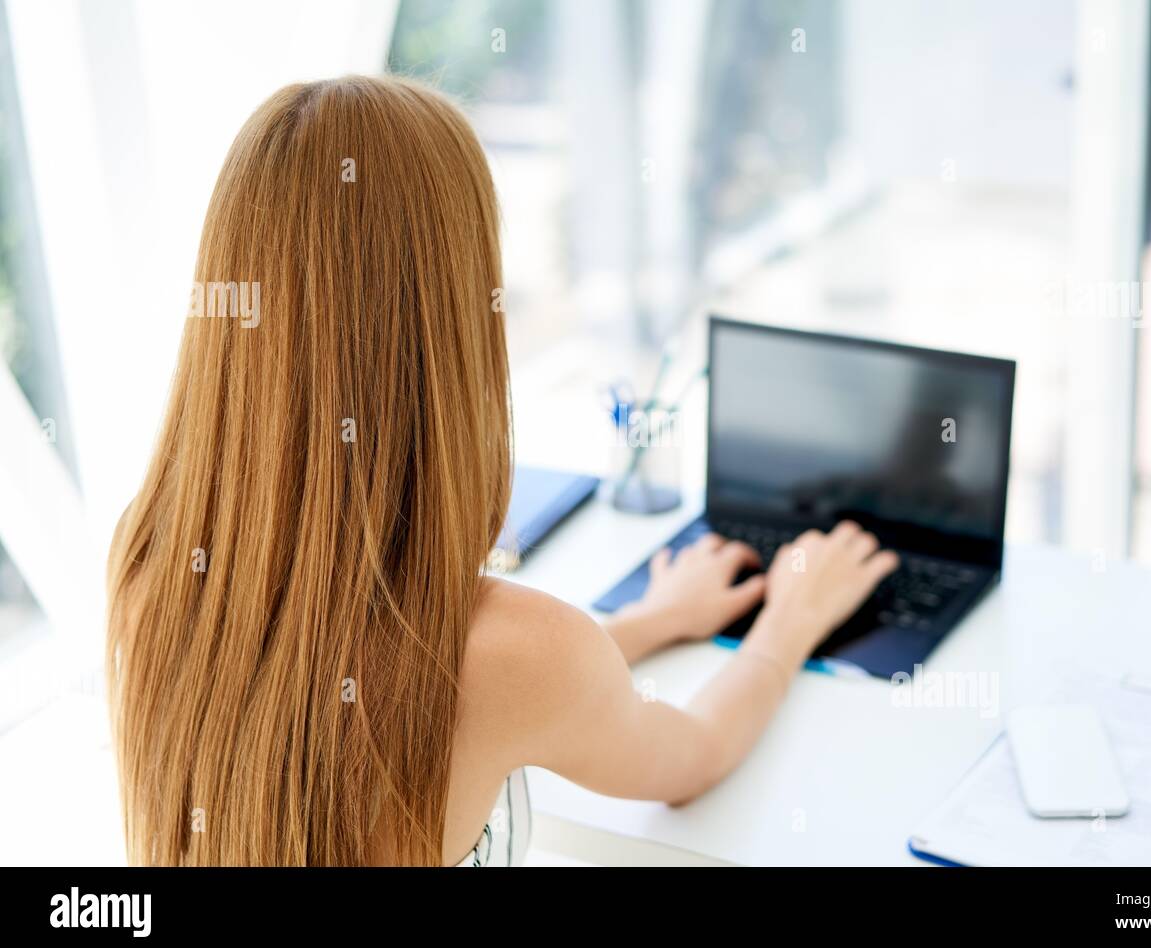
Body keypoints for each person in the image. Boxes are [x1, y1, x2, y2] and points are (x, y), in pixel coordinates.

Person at [106, 75, 898, 866]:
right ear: (449, 327)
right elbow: (689, 757)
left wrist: (655, 621)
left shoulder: (147, 563)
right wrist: (791, 618)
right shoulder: (509, 656)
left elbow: (387, 681)